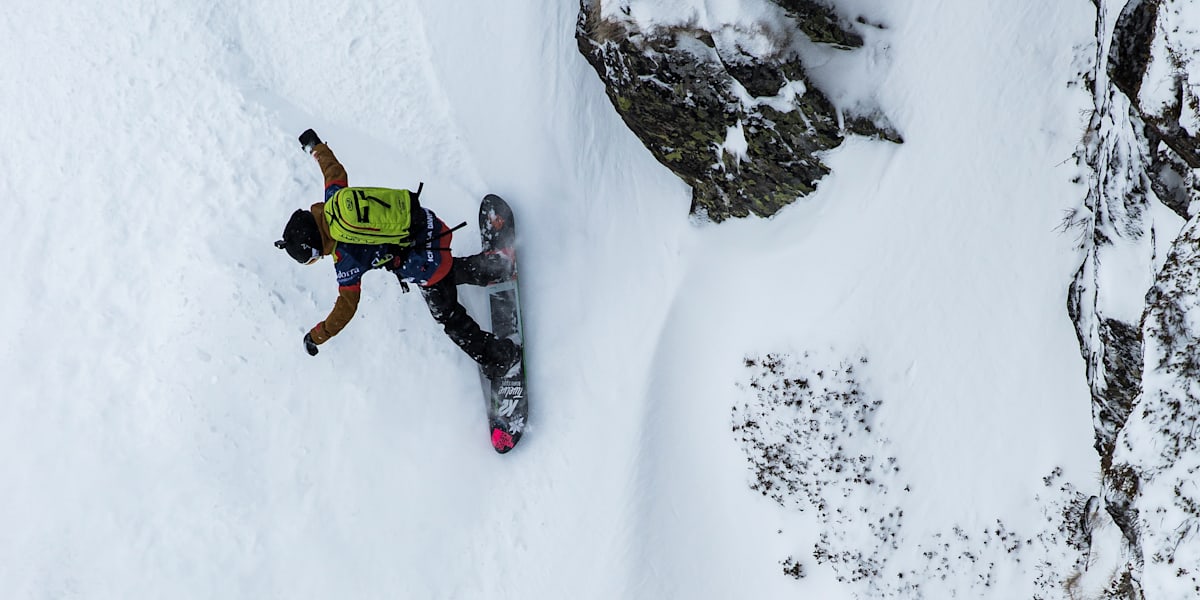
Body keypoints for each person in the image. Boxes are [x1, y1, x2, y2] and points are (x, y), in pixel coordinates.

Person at [275, 129, 521, 380]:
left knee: (449, 317)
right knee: (448, 270)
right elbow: (333, 170)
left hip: (427, 265)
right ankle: (495, 267)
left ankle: (500, 358)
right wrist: (315, 147)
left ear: (316, 249)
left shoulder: (346, 260)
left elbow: (345, 308)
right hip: (430, 225)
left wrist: (318, 335)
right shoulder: (334, 198)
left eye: (312, 259)